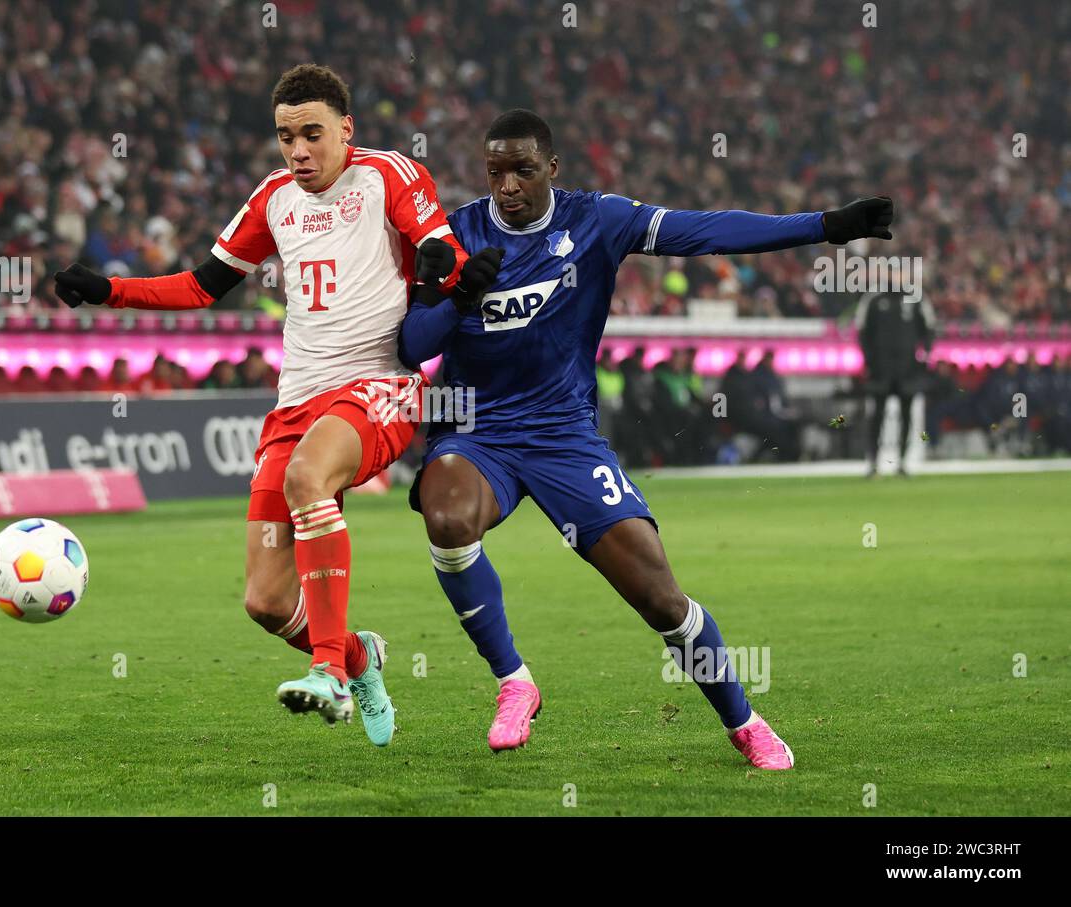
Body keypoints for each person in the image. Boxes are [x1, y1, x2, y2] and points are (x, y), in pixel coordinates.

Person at [398, 109, 894, 767]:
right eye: (495, 171)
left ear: (552, 167)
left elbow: (706, 230)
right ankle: (513, 679)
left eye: (521, 169)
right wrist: (458, 295)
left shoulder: (597, 219)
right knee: (448, 516)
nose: (507, 185)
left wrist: (825, 226)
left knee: (660, 596)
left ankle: (742, 719)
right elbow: (409, 345)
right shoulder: (453, 233)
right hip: (476, 431)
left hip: (564, 436)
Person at [51, 64, 490, 746]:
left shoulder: (387, 174)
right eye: (286, 136)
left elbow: (436, 241)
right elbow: (201, 286)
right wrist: (109, 290)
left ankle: (328, 673)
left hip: (378, 386)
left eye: (312, 134)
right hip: (296, 405)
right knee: (265, 600)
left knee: (308, 477)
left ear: (347, 129)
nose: (299, 151)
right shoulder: (273, 199)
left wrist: (447, 267)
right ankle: (358, 655)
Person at [854, 291, 935, 475]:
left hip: (907, 371)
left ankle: (903, 461)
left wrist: (922, 361)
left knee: (907, 416)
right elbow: (862, 331)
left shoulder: (917, 298)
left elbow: (929, 330)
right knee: (877, 415)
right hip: (880, 371)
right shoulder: (873, 299)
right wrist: (870, 362)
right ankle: (874, 462)